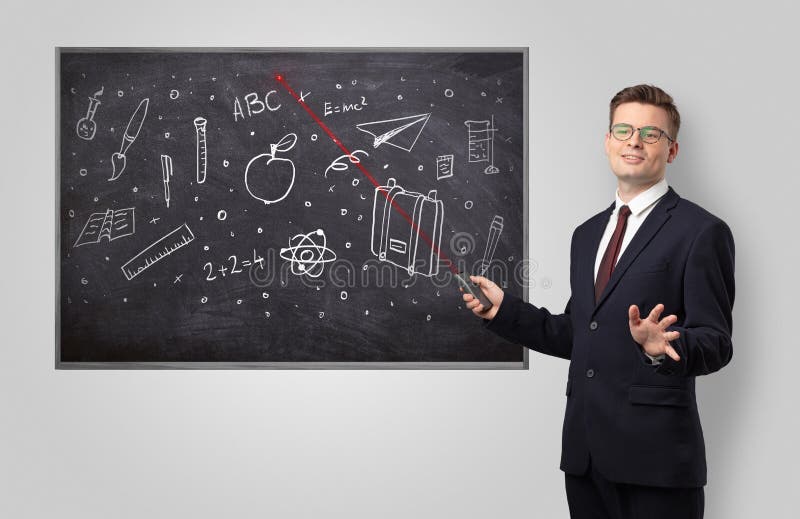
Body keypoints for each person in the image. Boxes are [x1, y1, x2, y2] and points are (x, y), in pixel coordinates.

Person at [463, 84, 735, 519]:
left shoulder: (702, 231)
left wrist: (662, 347)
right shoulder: (587, 235)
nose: (634, 141)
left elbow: (717, 341)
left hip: (657, 461)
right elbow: (579, 333)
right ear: (607, 140)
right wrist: (504, 311)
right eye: (623, 130)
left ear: (673, 150)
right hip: (585, 456)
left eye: (651, 134)